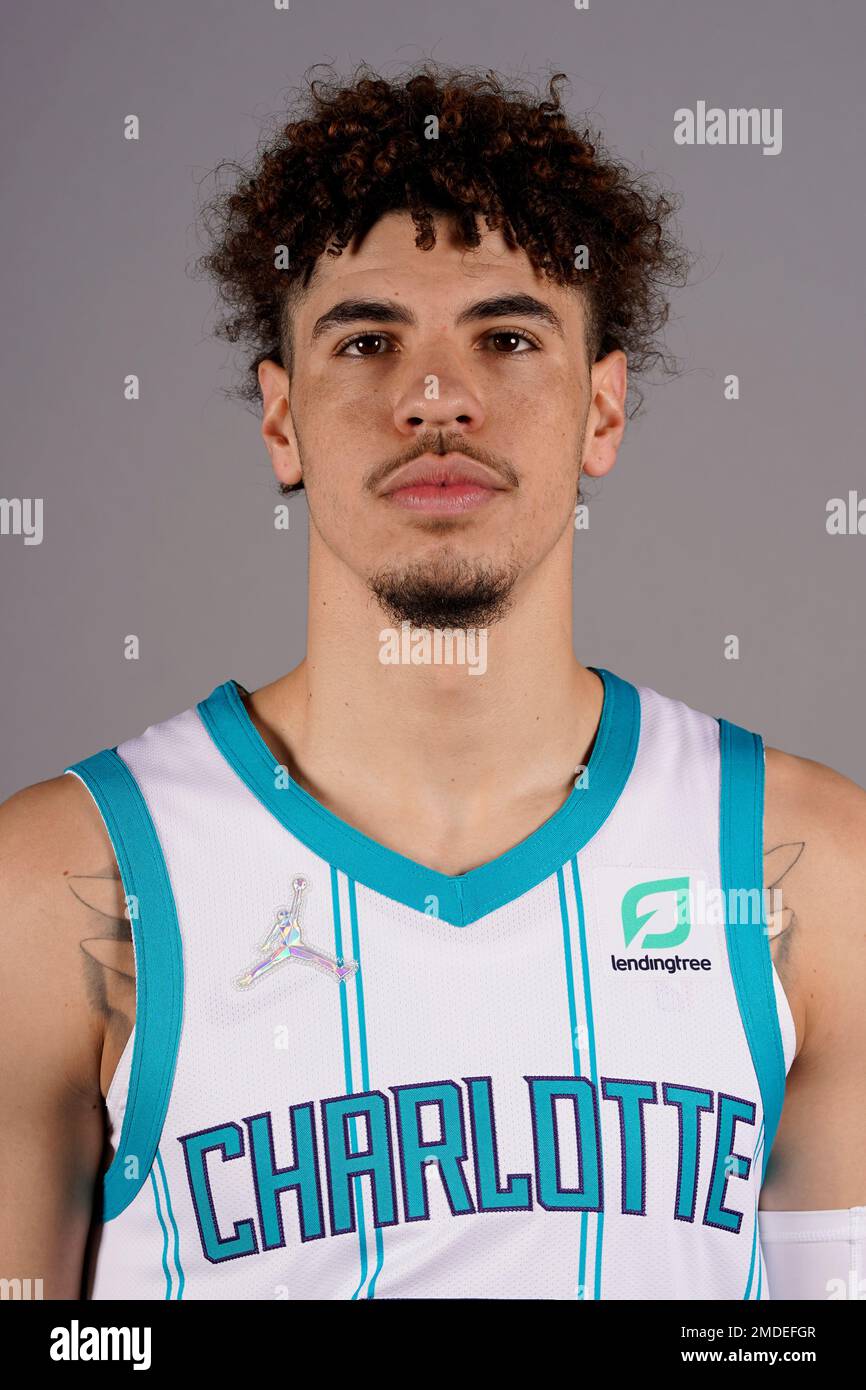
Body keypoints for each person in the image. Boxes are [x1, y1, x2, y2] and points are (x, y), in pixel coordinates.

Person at [1, 63, 864, 1301]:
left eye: (506, 338)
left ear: (601, 411)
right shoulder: (51, 890)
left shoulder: (808, 871)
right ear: (282, 418)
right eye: (367, 341)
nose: (433, 401)